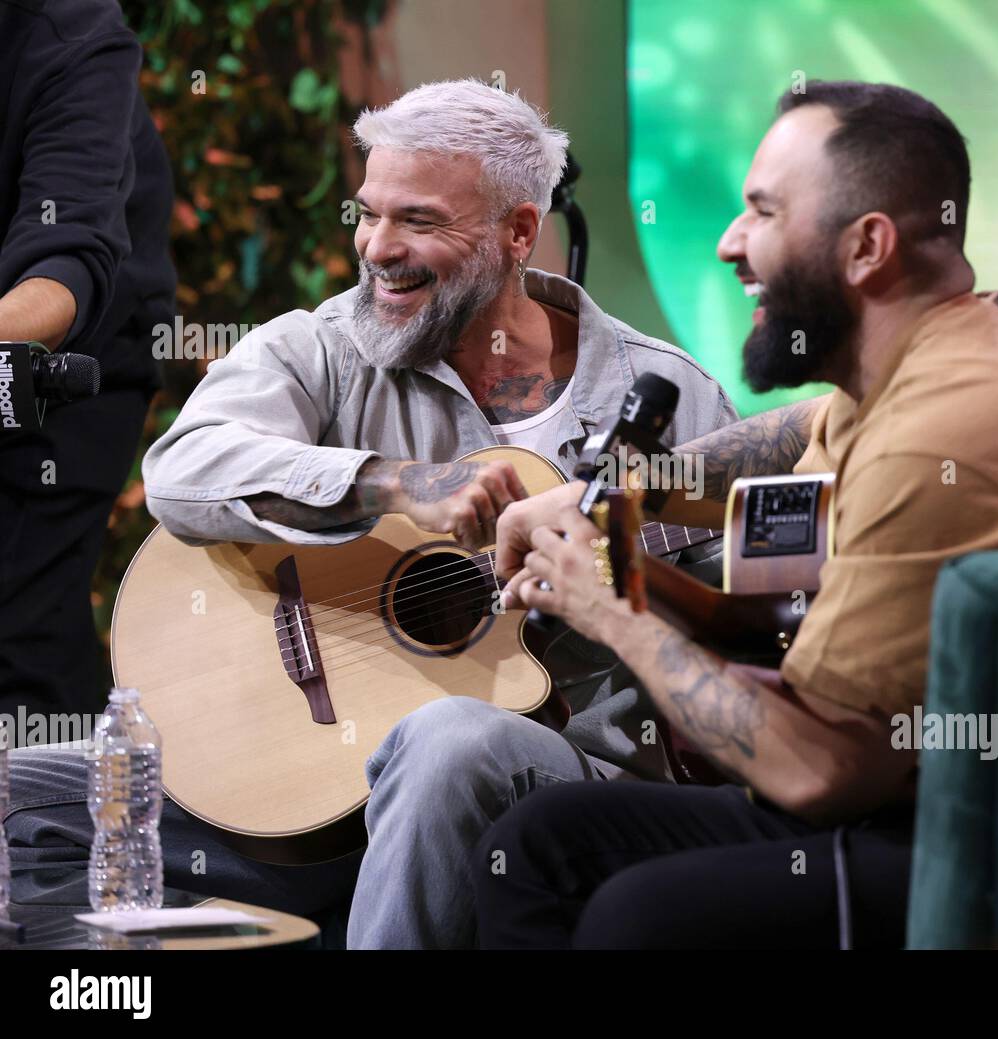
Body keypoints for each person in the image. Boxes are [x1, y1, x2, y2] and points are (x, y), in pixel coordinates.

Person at [6, 79, 769, 948]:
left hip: (558, 776)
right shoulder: (327, 346)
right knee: (18, 792)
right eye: (366, 214)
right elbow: (181, 470)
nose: (376, 246)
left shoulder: (663, 396)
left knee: (446, 738)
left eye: (417, 220)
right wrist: (393, 484)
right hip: (315, 775)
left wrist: (626, 587)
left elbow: (762, 608)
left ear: (518, 231)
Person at [471, 80, 998, 949]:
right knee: (539, 847)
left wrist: (606, 608)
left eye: (762, 211)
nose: (729, 243)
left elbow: (818, 764)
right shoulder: (912, 370)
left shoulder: (949, 426)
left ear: (868, 246)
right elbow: (791, 448)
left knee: (635, 916)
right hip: (939, 794)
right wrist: (609, 514)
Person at [0, 0, 176, 720]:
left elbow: (63, 263)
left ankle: (62, 828)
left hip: (77, 342)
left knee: (17, 631)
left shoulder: (71, 34)